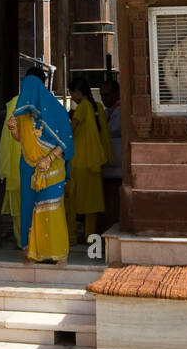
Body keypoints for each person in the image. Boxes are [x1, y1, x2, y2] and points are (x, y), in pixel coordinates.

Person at [7, 72, 73, 264]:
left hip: (51, 168)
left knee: (50, 208)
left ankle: (55, 253)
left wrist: (49, 158)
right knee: (28, 207)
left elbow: (66, 141)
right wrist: (13, 130)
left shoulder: (54, 110)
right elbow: (21, 139)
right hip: (28, 165)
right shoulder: (21, 113)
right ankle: (32, 251)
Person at [0, 65, 48, 247]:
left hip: (17, 163)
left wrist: (4, 167)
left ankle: (23, 242)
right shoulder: (42, 102)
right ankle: (37, 243)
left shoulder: (15, 102)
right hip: (38, 162)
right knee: (40, 204)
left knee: (20, 207)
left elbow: (8, 138)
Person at [65, 75, 113, 244]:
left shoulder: (82, 107)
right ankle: (89, 236)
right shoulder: (98, 106)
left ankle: (71, 236)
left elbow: (71, 129)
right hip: (94, 161)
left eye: (72, 95)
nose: (72, 98)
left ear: (78, 92)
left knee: (72, 199)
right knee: (91, 201)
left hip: (79, 160)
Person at [100, 78, 122, 233]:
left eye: (107, 95)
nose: (104, 99)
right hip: (107, 166)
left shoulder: (120, 111)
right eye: (102, 95)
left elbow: (110, 131)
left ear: (116, 94)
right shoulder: (106, 112)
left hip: (118, 164)